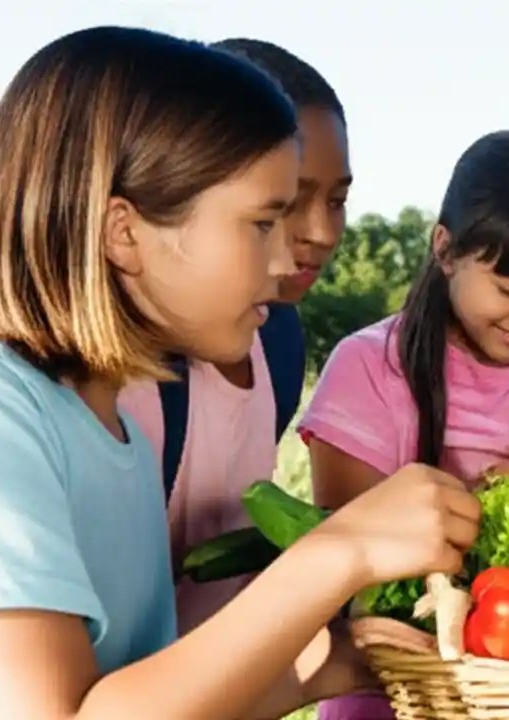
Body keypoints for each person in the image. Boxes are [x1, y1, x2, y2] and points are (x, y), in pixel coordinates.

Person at [0, 26, 478, 720]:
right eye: (263, 222)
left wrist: (308, 674)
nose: (281, 259)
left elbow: (136, 695)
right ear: (123, 232)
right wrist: (336, 552)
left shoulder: (114, 434)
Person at [299, 129, 509, 720]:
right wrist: (484, 503)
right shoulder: (370, 367)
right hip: (394, 703)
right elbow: (352, 579)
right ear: (445, 250)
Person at [116, 37, 353, 636]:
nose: (321, 232)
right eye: (280, 209)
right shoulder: (100, 385)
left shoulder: (278, 343)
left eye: (339, 199)